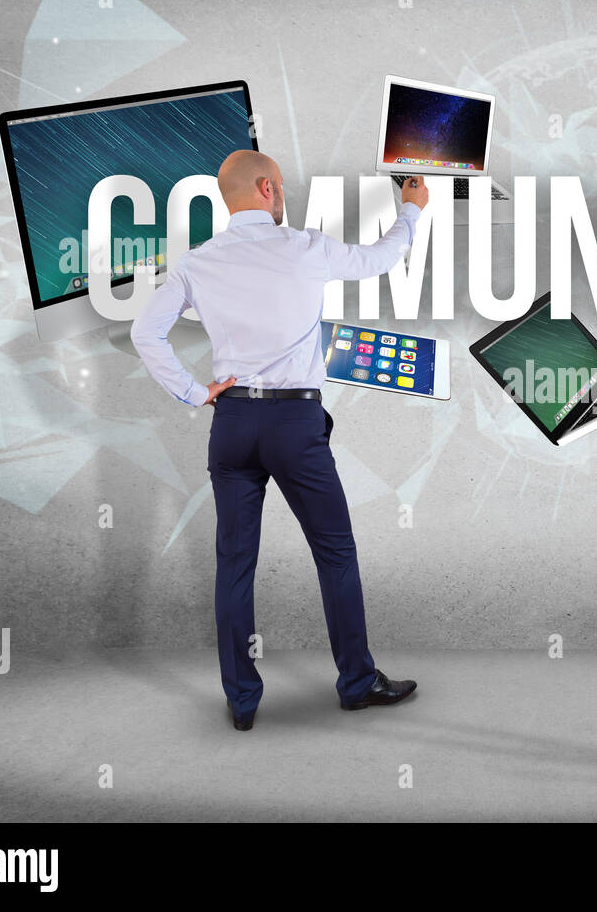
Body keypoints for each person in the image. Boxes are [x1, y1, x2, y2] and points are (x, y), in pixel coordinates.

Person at [131, 149, 427, 731]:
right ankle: (357, 682)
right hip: (294, 424)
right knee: (335, 553)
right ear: (267, 188)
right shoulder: (303, 247)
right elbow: (382, 258)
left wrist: (196, 395)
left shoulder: (198, 262)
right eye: (281, 186)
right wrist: (412, 209)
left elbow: (146, 332)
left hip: (233, 424)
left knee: (234, 564)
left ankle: (241, 702)